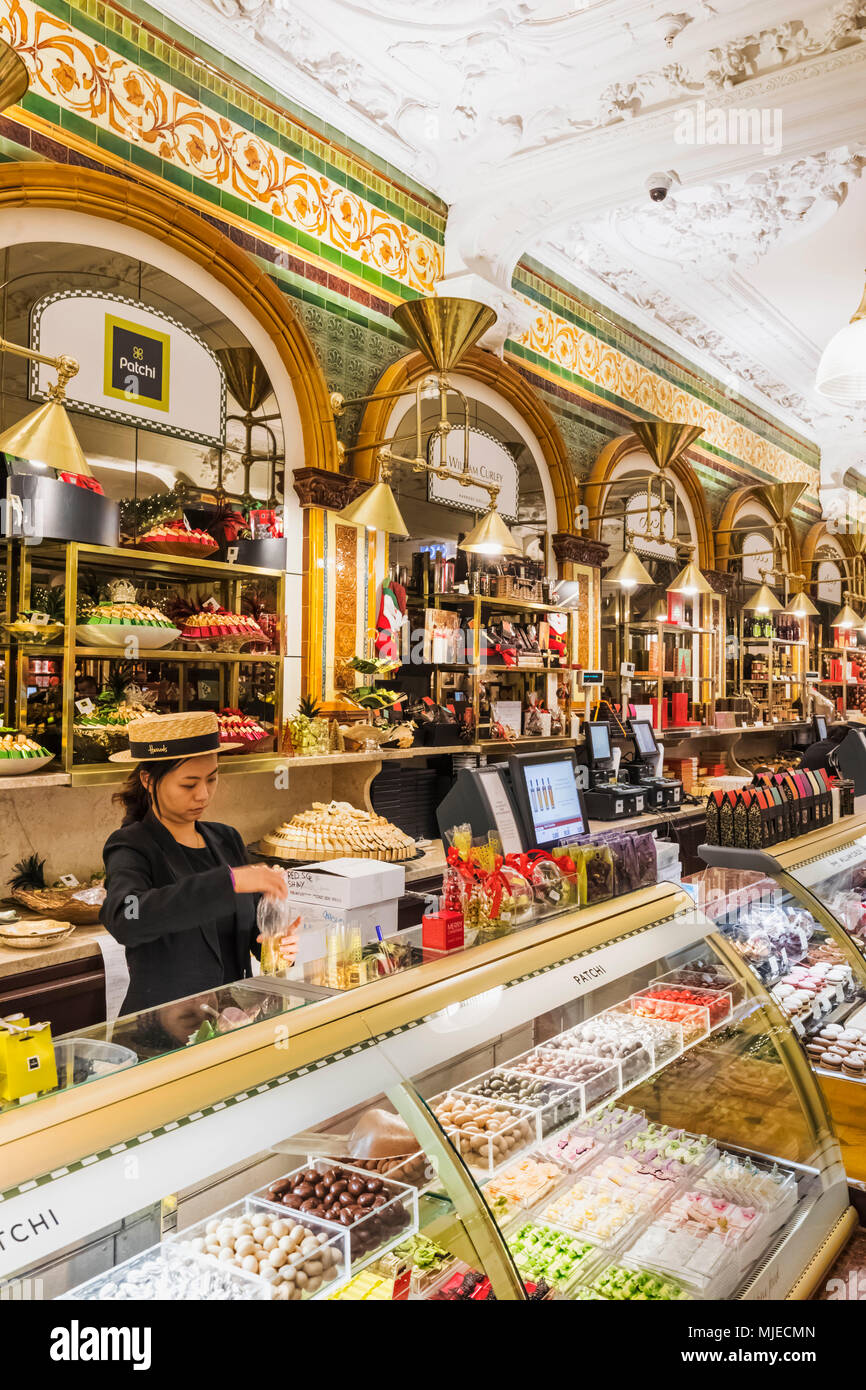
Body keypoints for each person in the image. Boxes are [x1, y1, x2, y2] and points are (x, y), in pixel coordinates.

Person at [100, 710, 298, 1013]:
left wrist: (275, 945)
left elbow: (247, 936)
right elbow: (127, 917)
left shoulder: (226, 839)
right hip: (162, 1031)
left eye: (212, 779)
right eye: (188, 785)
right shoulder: (131, 845)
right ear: (148, 780)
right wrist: (228, 882)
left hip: (228, 1021)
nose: (203, 795)